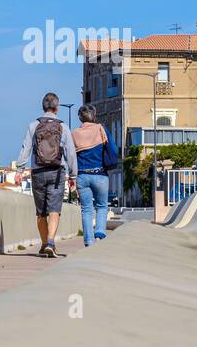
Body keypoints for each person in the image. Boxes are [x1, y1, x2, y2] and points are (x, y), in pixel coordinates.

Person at [15, 92, 77, 257]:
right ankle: (50, 242)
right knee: (54, 210)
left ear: (43, 107)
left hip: (37, 173)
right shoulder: (63, 127)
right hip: (57, 173)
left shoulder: (33, 125)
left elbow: (25, 148)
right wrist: (73, 176)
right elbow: (71, 153)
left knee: (40, 212)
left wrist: (20, 170)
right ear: (57, 108)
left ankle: (44, 244)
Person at [71, 104, 119, 246]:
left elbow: (70, 156)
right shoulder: (101, 129)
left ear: (80, 117)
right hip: (100, 175)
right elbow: (113, 149)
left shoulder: (74, 134)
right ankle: (99, 233)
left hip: (82, 176)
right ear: (94, 115)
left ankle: (88, 240)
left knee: (86, 209)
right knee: (102, 206)